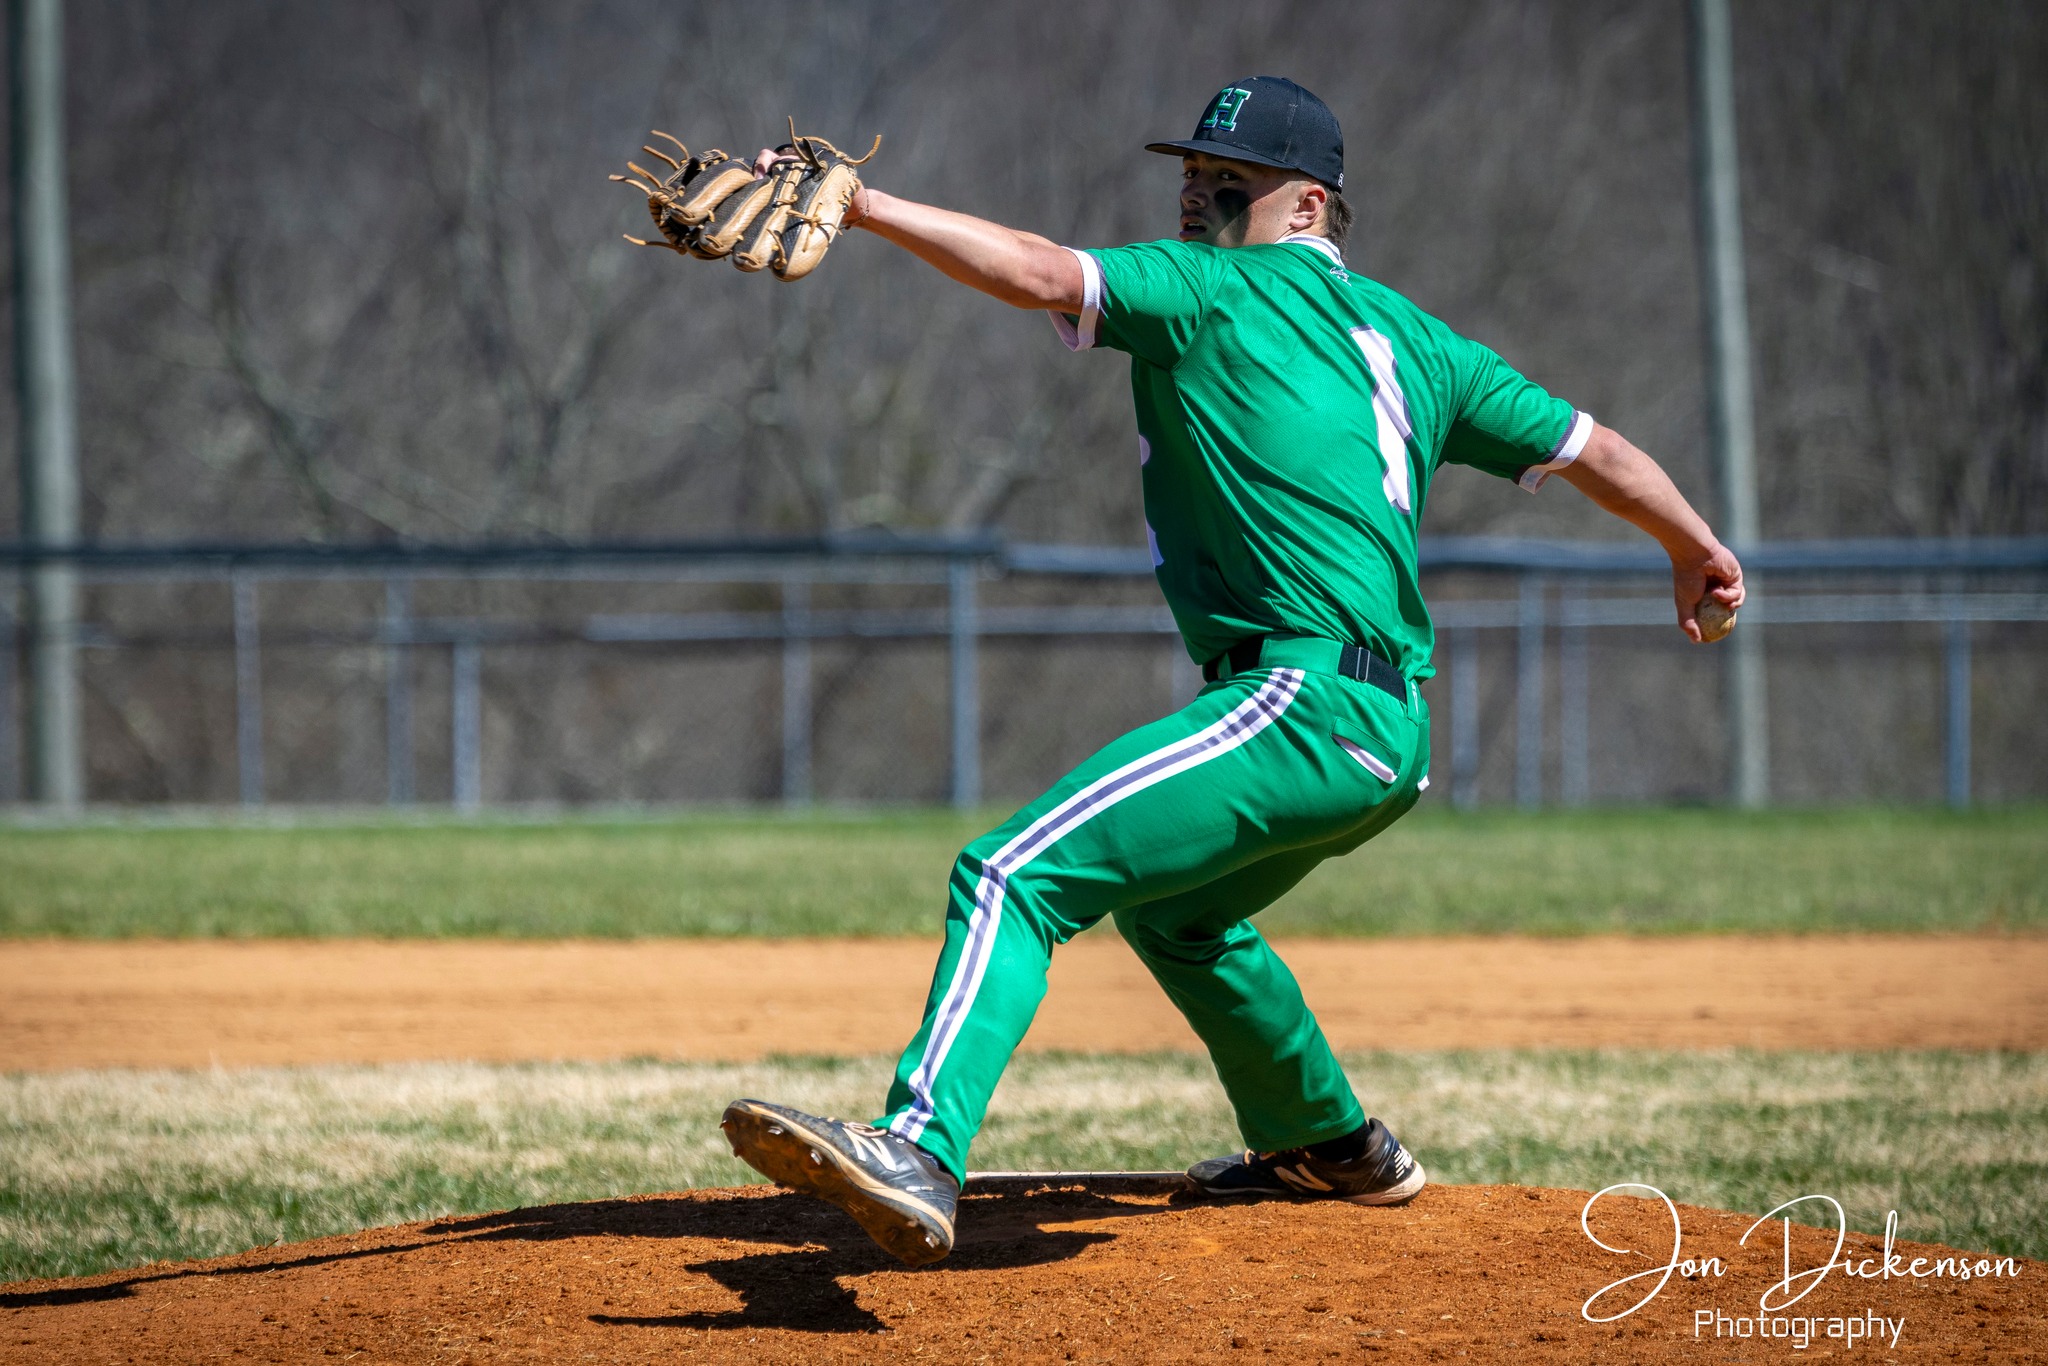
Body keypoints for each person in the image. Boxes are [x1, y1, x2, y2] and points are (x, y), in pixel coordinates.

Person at [721, 76, 1745, 1267]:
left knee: (1009, 872)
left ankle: (916, 1145)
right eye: (1193, 174)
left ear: (1307, 204)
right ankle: (1327, 1140)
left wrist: (869, 208)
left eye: (1231, 181)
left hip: (1297, 701)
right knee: (1179, 917)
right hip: (1384, 730)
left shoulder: (1209, 289)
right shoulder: (1417, 343)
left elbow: (1046, 273)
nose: (1198, 195)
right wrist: (1696, 548)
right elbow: (1594, 449)